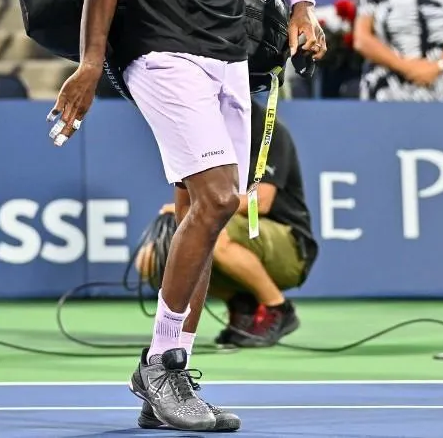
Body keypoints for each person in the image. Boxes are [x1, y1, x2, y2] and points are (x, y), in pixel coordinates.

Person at [48, 0, 326, 433]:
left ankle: (166, 379)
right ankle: (163, 363)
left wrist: (300, 0)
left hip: (227, 52)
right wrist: (90, 64)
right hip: (160, 50)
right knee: (220, 197)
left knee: (200, 215)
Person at [135, 98, 318, 357]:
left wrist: (204, 209)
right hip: (233, 228)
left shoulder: (267, 128)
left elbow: (261, 202)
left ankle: (278, 307)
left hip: (287, 242)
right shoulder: (202, 130)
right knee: (153, 259)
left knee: (214, 233)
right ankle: (241, 304)